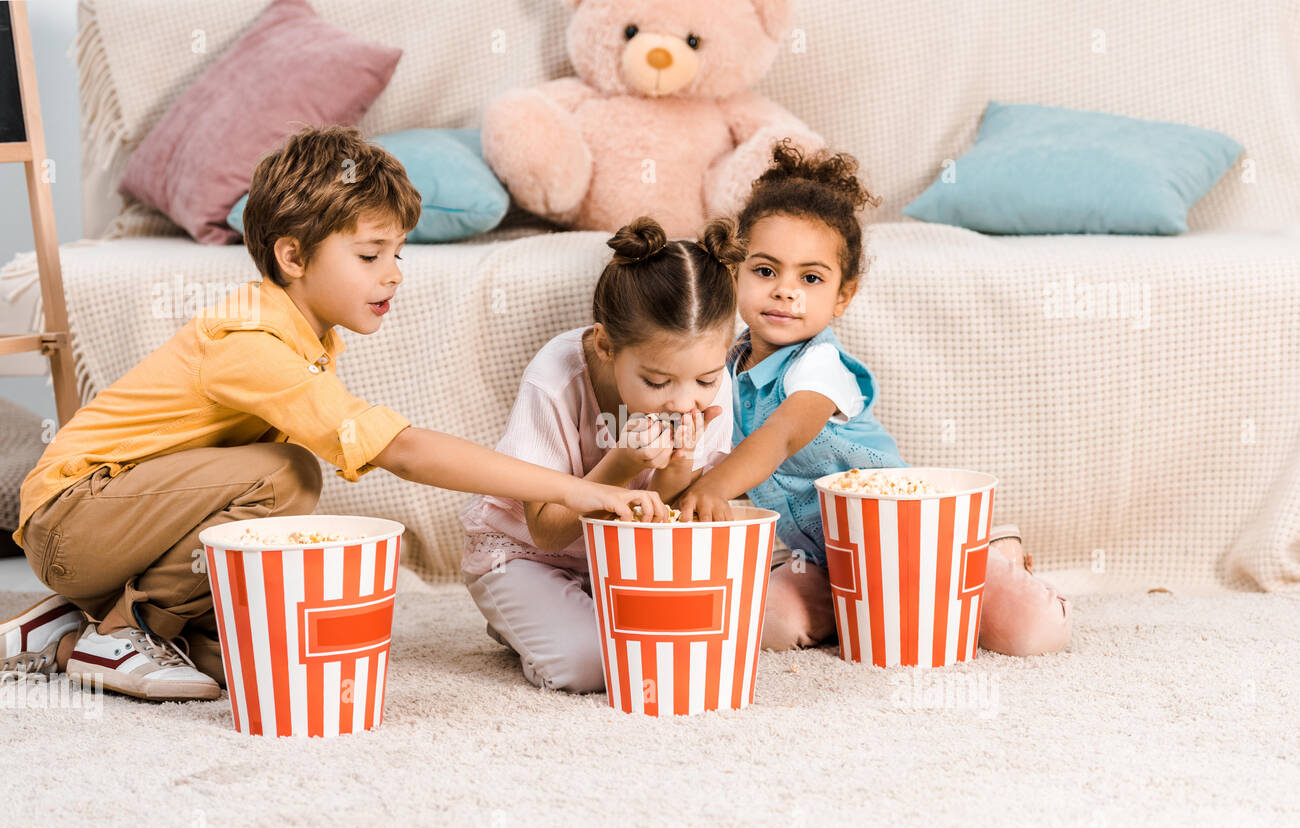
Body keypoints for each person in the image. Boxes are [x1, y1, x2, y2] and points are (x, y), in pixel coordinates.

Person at [0, 125, 667, 700]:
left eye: (398, 253)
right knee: (286, 475)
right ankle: (124, 629)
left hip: (112, 526)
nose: (395, 273)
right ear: (292, 255)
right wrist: (575, 489)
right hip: (73, 515)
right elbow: (400, 449)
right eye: (371, 254)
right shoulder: (252, 341)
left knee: (252, 663)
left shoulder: (309, 337)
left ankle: (71, 629)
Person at [675, 143, 1071, 655]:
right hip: (820, 560)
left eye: (810, 278)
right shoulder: (722, 372)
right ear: (733, 274)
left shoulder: (820, 366)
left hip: (909, 541)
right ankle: (860, 605)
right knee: (768, 623)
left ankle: (989, 553)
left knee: (1027, 633)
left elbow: (783, 434)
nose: (785, 291)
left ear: (843, 295)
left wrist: (712, 489)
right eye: (766, 271)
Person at [461, 216, 743, 691]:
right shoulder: (556, 375)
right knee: (592, 665)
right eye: (657, 381)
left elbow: (669, 514)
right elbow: (546, 531)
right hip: (529, 556)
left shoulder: (708, 386)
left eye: (705, 380)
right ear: (607, 344)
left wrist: (678, 467)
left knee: (692, 645)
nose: (683, 401)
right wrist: (623, 463)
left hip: (619, 561)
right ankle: (525, 616)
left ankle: (555, 619)